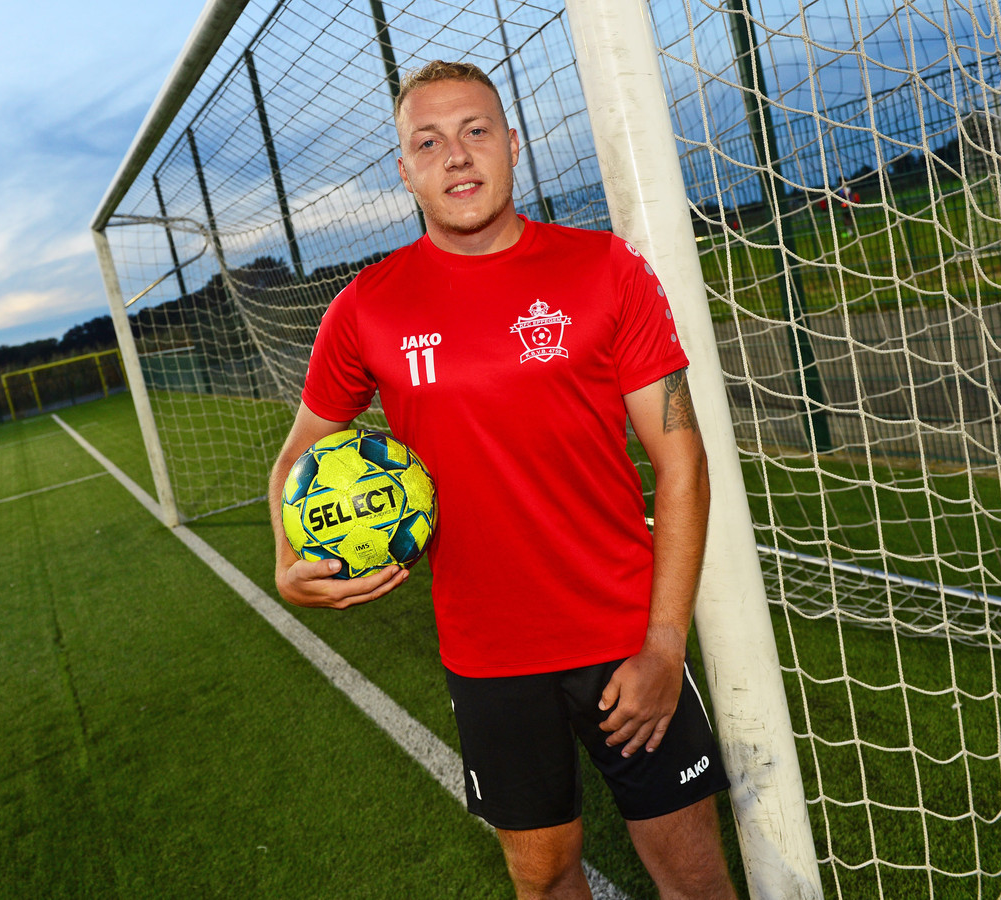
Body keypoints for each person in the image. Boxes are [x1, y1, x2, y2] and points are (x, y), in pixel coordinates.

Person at [267, 60, 737, 900]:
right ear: (404, 170)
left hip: (623, 633)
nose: (456, 155)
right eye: (429, 140)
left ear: (514, 146)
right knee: (546, 876)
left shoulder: (606, 270)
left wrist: (666, 644)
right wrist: (285, 560)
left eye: (475, 130)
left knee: (694, 878)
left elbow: (682, 460)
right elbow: (300, 452)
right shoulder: (366, 309)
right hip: (488, 655)